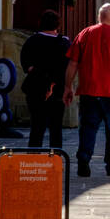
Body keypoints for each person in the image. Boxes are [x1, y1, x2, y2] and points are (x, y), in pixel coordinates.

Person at [62, 3, 110, 178]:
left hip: (89, 91)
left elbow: (72, 64)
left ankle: (84, 159)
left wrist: (68, 87)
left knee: (88, 128)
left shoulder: (85, 34)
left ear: (99, 17)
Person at [19, 9, 70, 149]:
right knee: (56, 129)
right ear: (57, 25)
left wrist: (39, 73)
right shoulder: (64, 43)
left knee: (36, 127)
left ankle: (33, 160)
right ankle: (56, 161)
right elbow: (66, 67)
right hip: (57, 89)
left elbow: (26, 65)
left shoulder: (31, 41)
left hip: (35, 88)